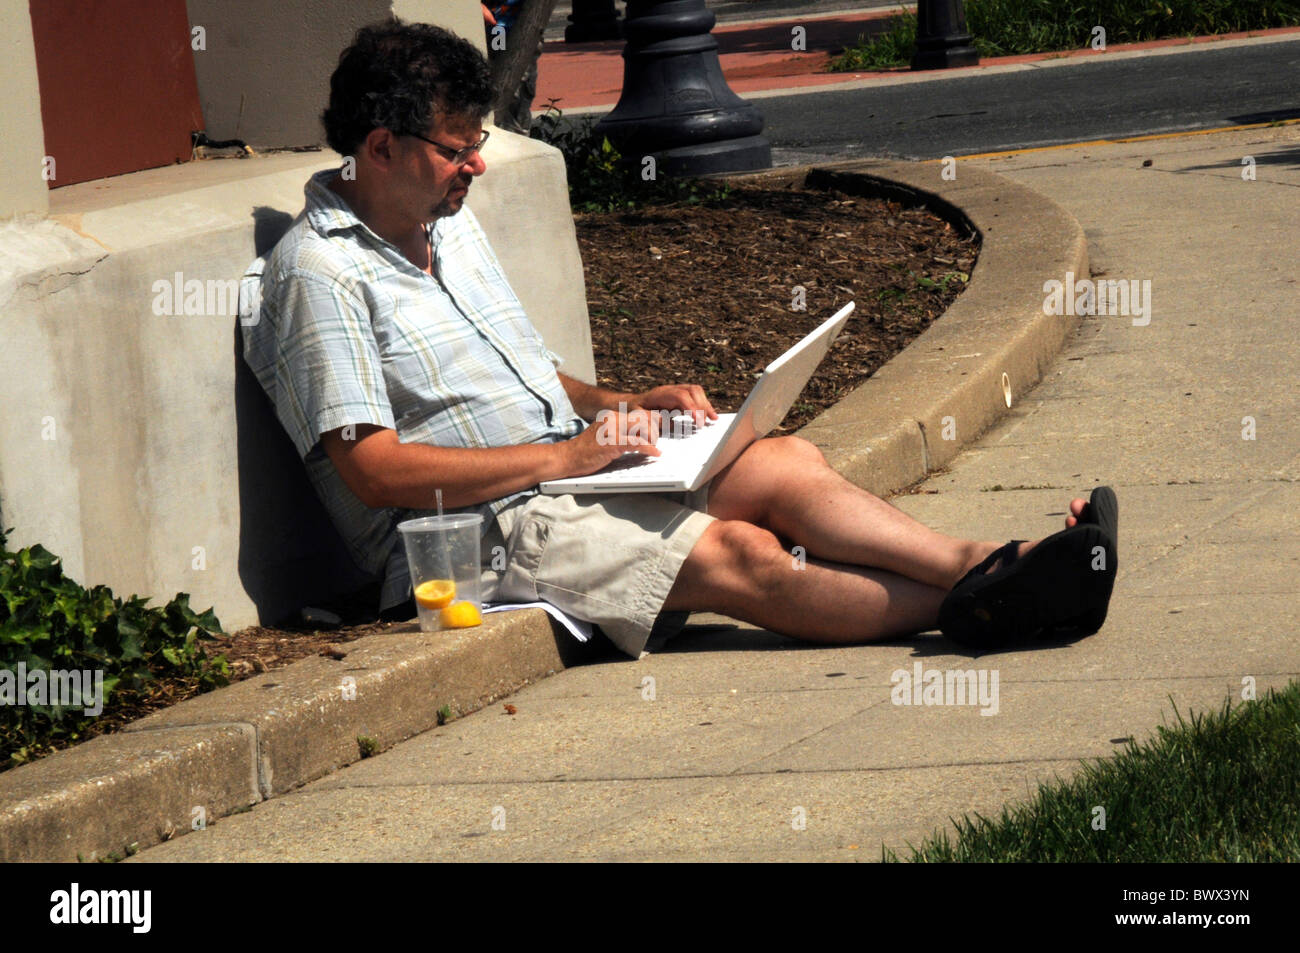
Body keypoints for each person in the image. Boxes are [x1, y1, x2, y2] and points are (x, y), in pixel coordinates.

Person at [241, 19, 1118, 658]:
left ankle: (999, 563)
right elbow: (374, 469)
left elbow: (525, 377)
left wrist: (623, 406)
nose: (475, 164)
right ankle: (989, 603)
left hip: (561, 467)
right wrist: (562, 461)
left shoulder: (445, 224)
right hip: (480, 532)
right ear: (382, 146)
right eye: (457, 147)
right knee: (745, 554)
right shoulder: (318, 273)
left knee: (779, 464)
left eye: (478, 144)